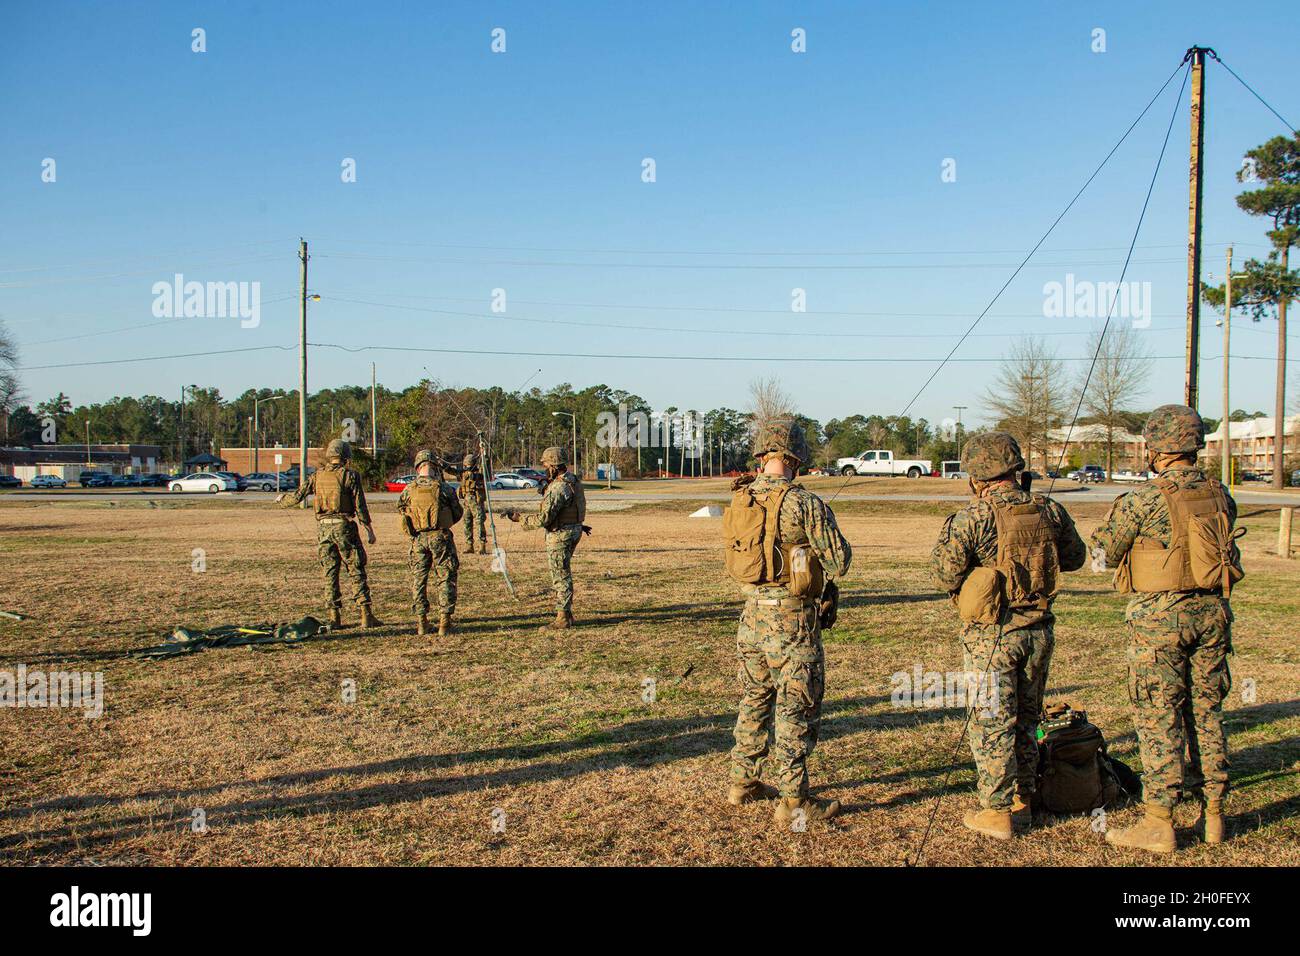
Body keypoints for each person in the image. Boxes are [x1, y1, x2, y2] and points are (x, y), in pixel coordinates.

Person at [1090, 404, 1241, 854]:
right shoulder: (1219, 492)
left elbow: (1102, 555)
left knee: (1159, 715)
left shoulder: (1144, 498)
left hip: (1161, 621)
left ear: (1156, 447)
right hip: (1213, 614)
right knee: (1206, 711)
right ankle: (1213, 813)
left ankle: (1159, 820)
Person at [930, 431, 1086, 840]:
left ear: (977, 474)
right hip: (1038, 629)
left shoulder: (973, 516)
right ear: (1015, 468)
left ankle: (996, 811)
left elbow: (944, 572)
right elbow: (1074, 558)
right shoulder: (1049, 508)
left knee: (991, 720)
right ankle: (1024, 798)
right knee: (1028, 716)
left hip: (993, 633)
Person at [722, 417, 851, 825]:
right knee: (797, 706)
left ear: (761, 455)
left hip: (750, 618)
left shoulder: (741, 499)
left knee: (755, 698)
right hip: (792, 622)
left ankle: (742, 782)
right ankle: (794, 802)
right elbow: (840, 561)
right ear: (796, 457)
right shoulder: (804, 502)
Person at [277, 439, 381, 629]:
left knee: (330, 573)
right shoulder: (350, 476)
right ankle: (366, 615)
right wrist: (369, 530)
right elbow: (360, 505)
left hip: (324, 529)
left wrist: (281, 500)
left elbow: (298, 495)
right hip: (344, 526)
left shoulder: (317, 476)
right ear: (345, 457)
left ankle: (334, 618)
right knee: (356, 569)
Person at [503, 445, 586, 629]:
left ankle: (562, 618)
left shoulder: (558, 487)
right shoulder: (573, 481)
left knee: (560, 575)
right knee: (563, 571)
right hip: (573, 530)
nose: (545, 467)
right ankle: (568, 614)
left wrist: (520, 518)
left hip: (561, 534)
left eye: (546, 463)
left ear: (554, 465)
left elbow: (544, 518)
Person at [397, 449, 463, 637]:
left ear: (418, 468)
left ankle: (421, 622)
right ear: (434, 466)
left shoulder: (408, 489)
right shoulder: (443, 488)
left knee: (418, 580)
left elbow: (401, 510)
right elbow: (457, 512)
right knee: (445, 577)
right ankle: (445, 622)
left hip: (418, 539)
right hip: (440, 537)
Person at [458, 453, 488, 554]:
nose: (467, 467)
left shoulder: (479, 475)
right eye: (466, 465)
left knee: (479, 523)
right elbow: (452, 471)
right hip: (466, 501)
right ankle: (469, 545)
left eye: (469, 465)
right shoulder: (463, 474)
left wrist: (484, 455)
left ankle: (482, 546)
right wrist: (442, 464)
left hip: (476, 501)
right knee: (467, 523)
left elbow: (485, 467)